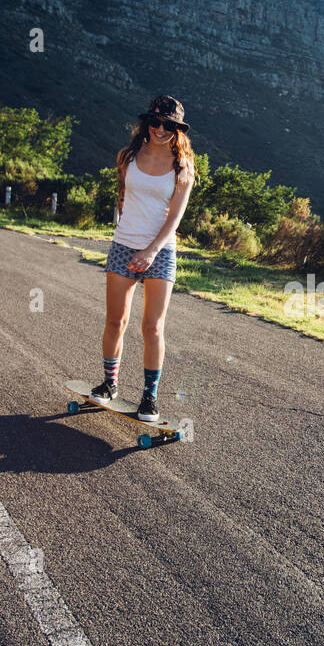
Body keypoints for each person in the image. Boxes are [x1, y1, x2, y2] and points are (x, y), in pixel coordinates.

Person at [91, 95, 196, 422]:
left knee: (152, 327)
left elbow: (174, 218)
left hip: (160, 251)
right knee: (115, 321)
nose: (161, 130)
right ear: (146, 123)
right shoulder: (128, 157)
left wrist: (150, 250)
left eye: (169, 126)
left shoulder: (183, 167)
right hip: (123, 245)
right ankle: (110, 385)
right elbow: (125, 198)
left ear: (177, 130)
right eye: (155, 123)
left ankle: (149, 397)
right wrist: (130, 236)